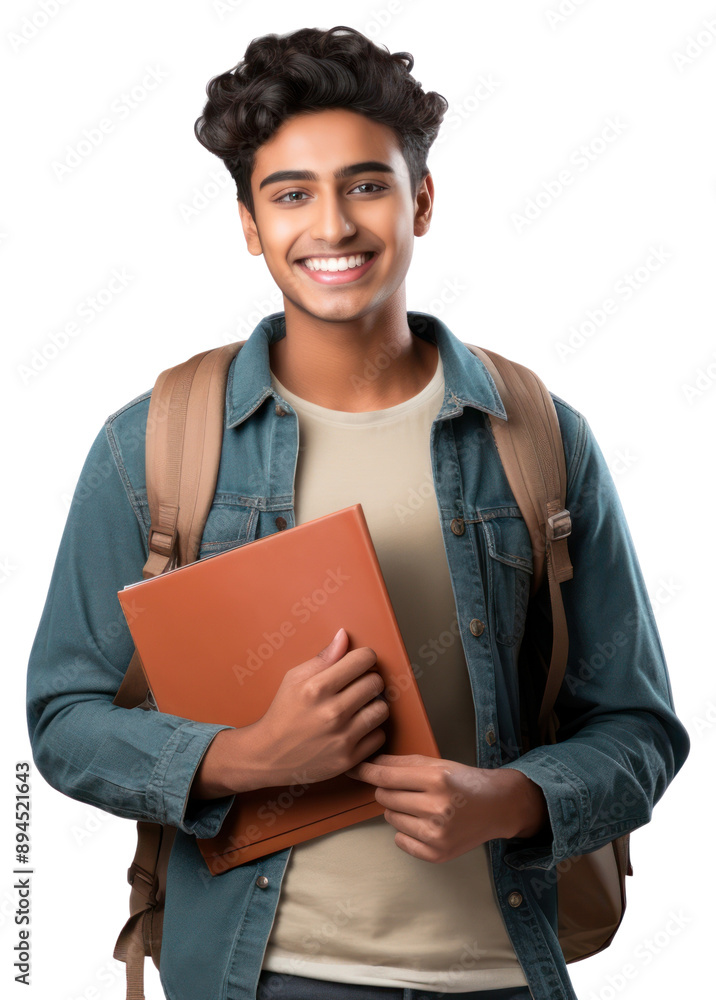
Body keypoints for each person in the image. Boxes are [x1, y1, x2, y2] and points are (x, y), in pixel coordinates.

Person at [26, 24, 689, 1000]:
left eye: (365, 184)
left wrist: (510, 800)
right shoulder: (155, 441)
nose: (331, 225)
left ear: (420, 199)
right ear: (250, 223)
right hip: (265, 973)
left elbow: (637, 726)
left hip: (497, 971)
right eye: (289, 193)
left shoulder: (537, 434)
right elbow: (63, 715)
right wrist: (238, 757)